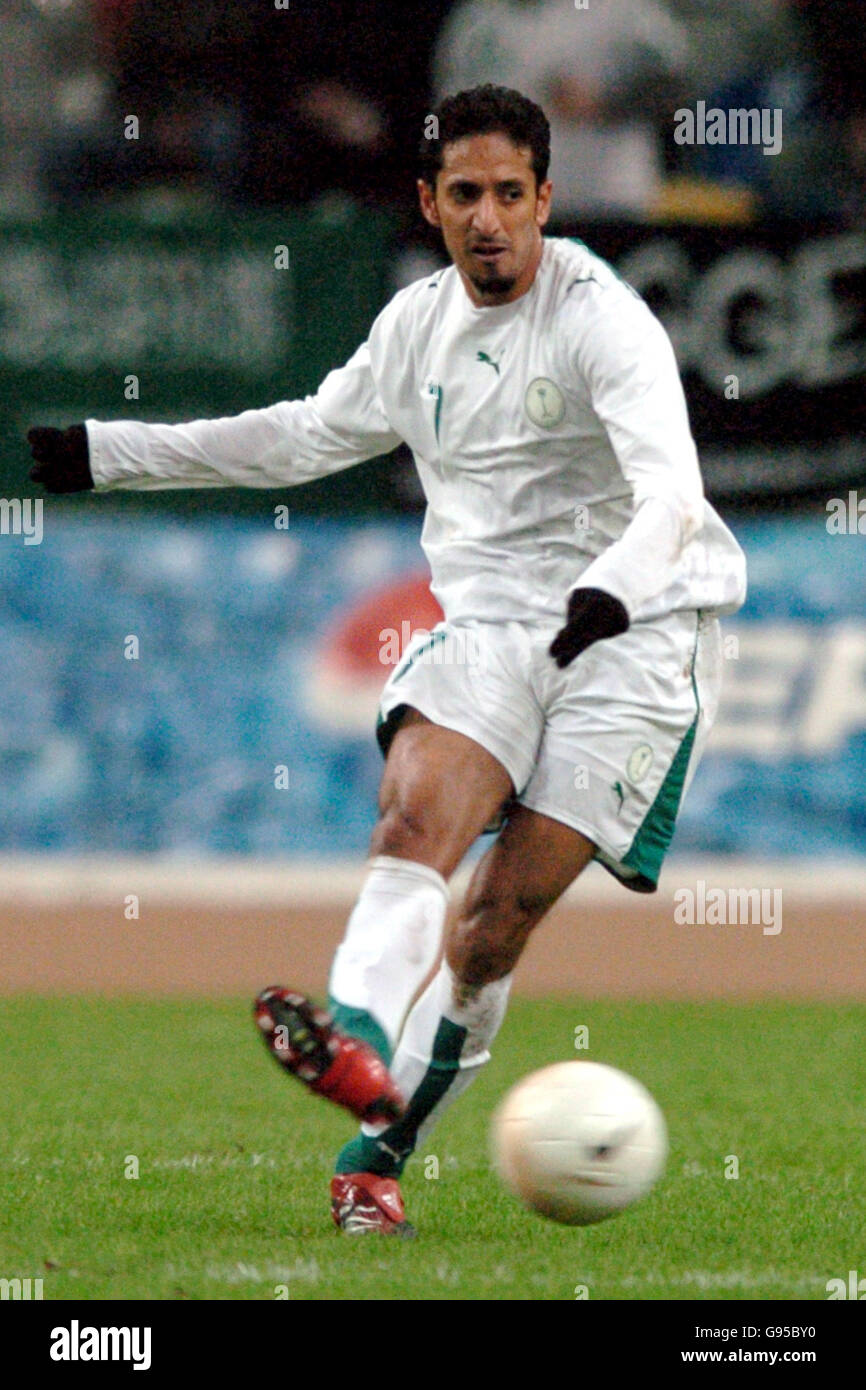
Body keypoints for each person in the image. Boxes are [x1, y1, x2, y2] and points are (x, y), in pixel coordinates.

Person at [27, 86, 747, 1237]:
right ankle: (354, 1041)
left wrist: (608, 588)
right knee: (415, 820)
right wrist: (107, 453)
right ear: (427, 202)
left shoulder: (602, 317)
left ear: (545, 199)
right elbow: (296, 437)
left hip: (637, 630)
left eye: (510, 193)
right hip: (492, 626)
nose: (488, 218)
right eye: (463, 194)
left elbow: (671, 494)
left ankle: (378, 1146)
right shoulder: (414, 325)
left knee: (490, 927)